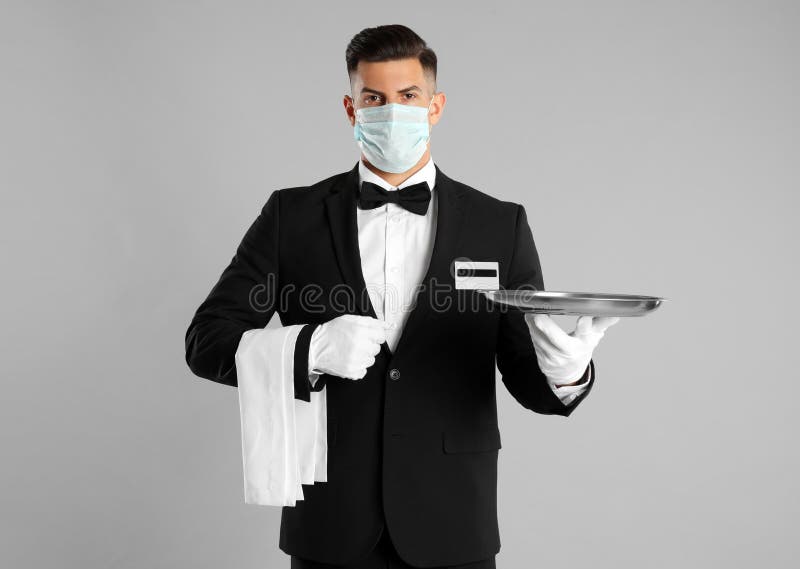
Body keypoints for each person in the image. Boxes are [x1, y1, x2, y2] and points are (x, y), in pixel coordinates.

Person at [185, 24, 619, 569]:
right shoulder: (289, 216)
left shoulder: (498, 224)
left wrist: (566, 372)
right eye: (375, 98)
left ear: (435, 106)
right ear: (350, 108)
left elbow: (525, 376)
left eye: (408, 96)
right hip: (331, 523)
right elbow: (206, 341)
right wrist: (311, 349)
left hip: (454, 522)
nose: (392, 111)